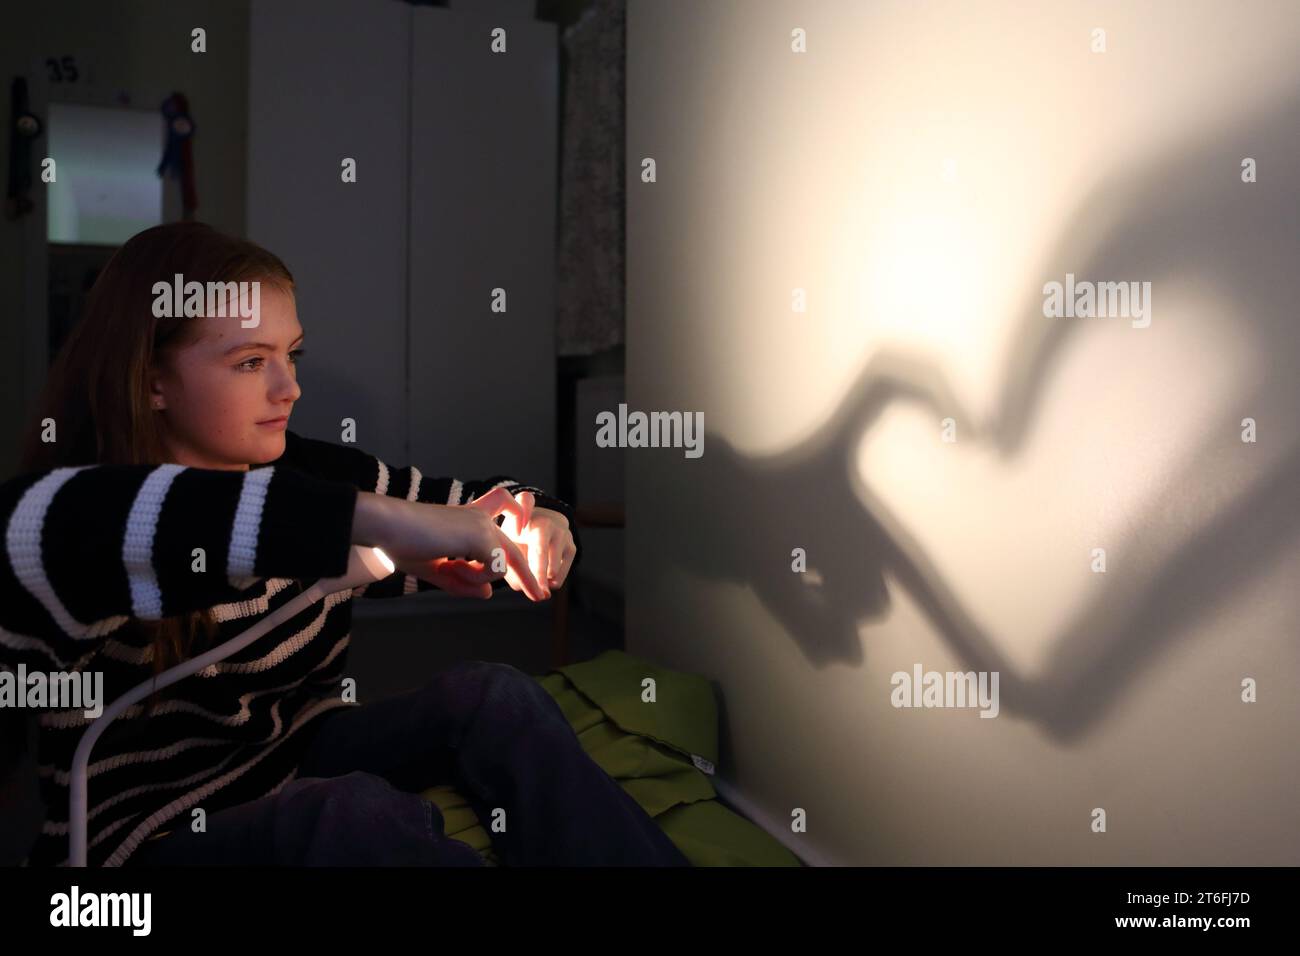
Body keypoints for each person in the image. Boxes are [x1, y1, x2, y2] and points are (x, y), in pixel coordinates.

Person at [0, 221, 690, 867]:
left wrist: (541, 518)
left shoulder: (316, 477)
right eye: (249, 362)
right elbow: (63, 530)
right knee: (351, 817)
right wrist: (380, 522)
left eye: (291, 355)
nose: (288, 387)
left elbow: (484, 501)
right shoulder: (84, 510)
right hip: (145, 835)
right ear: (153, 379)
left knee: (492, 696)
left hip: (299, 750)